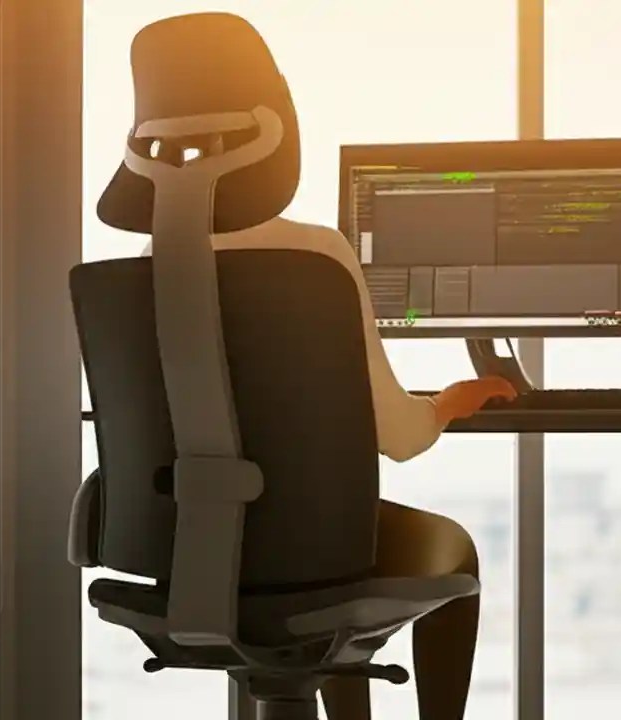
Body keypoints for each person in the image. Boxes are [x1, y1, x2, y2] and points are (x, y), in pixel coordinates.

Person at [143, 218, 515, 720]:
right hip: (313, 551)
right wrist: (444, 405)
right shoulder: (316, 253)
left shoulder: (153, 258)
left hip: (177, 548)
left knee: (336, 562)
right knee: (448, 550)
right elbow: (402, 439)